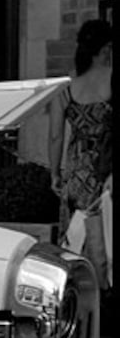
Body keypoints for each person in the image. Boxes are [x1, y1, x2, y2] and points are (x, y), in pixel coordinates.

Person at [48, 18, 112, 292]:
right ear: (106, 48)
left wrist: (54, 172)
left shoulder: (65, 85)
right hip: (106, 167)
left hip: (76, 170)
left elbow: (55, 136)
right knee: (106, 231)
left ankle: (82, 291)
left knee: (76, 233)